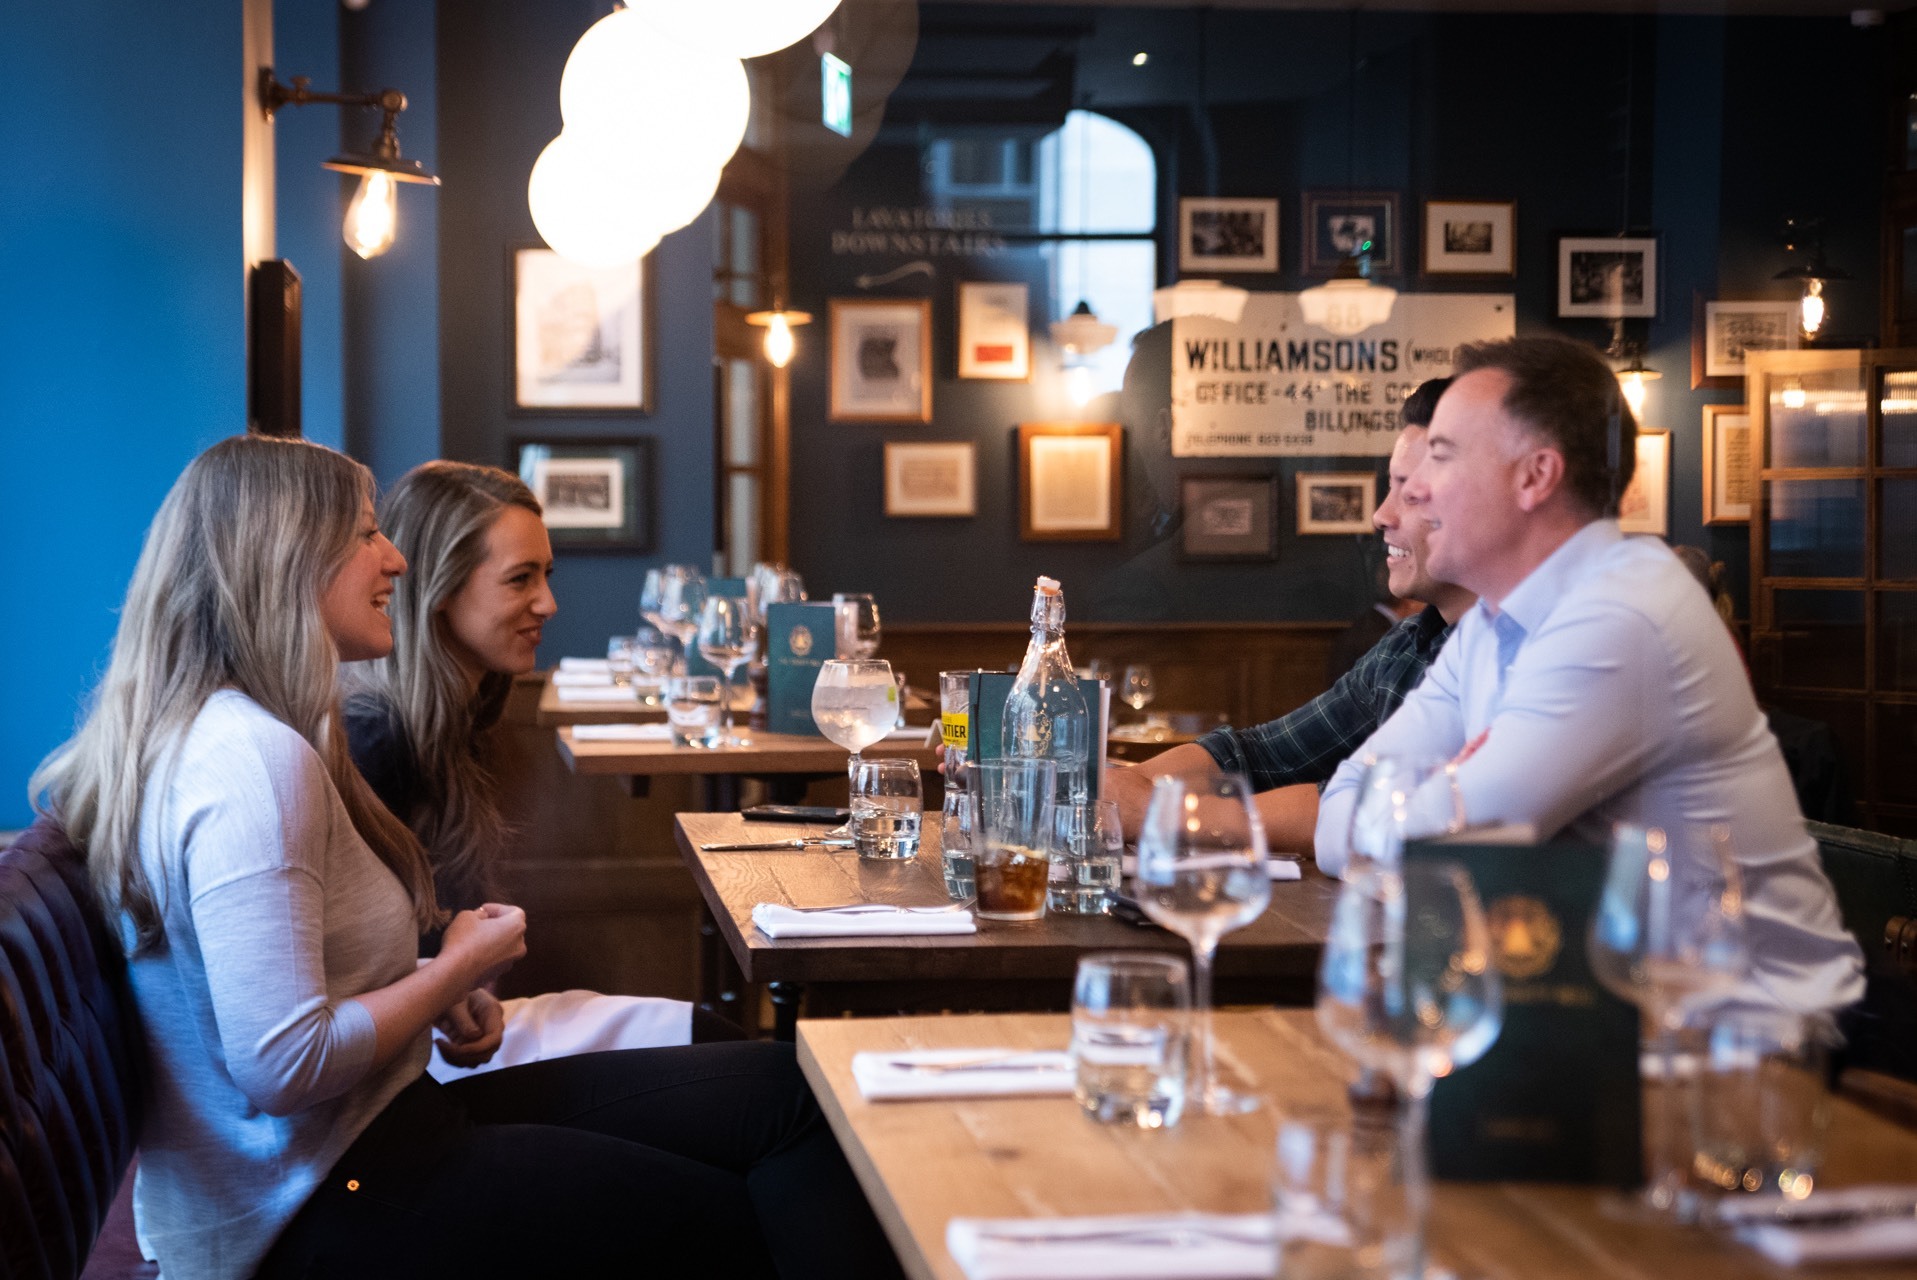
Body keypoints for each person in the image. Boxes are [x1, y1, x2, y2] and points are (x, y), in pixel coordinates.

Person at [30, 434, 901, 1280]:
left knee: (799, 1090)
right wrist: (456, 970)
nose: (395, 561)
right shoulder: (250, 759)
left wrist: (446, 978)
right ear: (286, 558)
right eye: (366, 533)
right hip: (321, 1206)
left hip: (386, 1132)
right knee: (753, 1204)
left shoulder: (257, 735)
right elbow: (282, 1064)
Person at [1314, 336, 1863, 1014]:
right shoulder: (1488, 623)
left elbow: (1435, 850)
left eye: (1442, 455)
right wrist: (1407, 816)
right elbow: (1338, 812)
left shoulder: (1622, 614)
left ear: (1533, 477)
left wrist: (1410, 812)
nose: (1415, 491)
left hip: (1764, 1054)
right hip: (1612, 1027)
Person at [342, 461, 727, 1075]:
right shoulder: (376, 736)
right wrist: (459, 980)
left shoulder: (452, 717)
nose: (548, 602)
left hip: (444, 1028)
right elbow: (347, 969)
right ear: (438, 587)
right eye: (520, 579)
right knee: (727, 1057)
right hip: (409, 1065)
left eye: (546, 575)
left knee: (716, 1043)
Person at [1107, 378, 1473, 852]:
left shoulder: (1528, 641)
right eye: (1393, 487)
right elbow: (1264, 755)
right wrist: (1125, 788)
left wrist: (1160, 813)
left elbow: (1379, 809)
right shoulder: (1412, 642)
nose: (1380, 515)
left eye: (1411, 492)